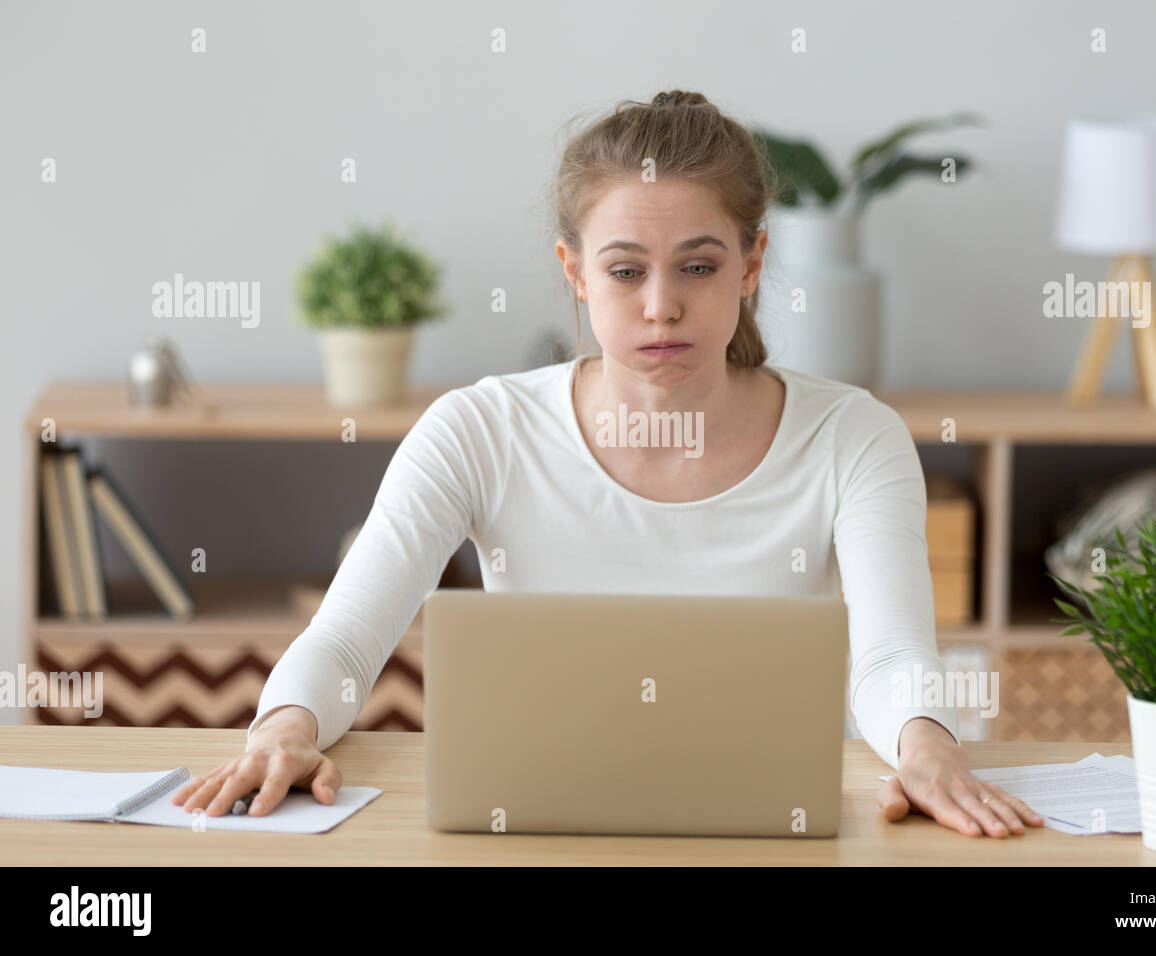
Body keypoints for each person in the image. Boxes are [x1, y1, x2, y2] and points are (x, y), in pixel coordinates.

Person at [173, 89, 1042, 838]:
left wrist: (927, 744)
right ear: (575, 273)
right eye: (626, 271)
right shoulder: (476, 430)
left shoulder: (855, 438)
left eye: (698, 265)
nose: (663, 307)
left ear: (752, 264)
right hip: (536, 833)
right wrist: (285, 727)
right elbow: (346, 640)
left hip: (771, 839)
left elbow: (892, 659)